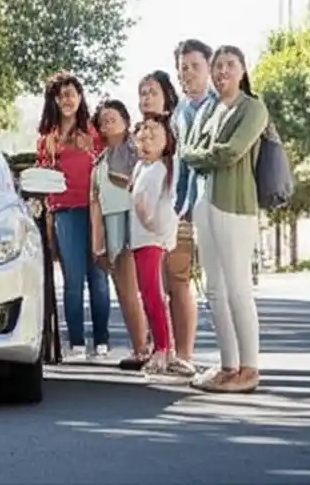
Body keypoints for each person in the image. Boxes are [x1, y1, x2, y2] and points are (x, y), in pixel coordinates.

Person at [180, 45, 268, 394]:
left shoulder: (253, 108)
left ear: (243, 70)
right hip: (206, 203)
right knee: (214, 290)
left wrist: (204, 155)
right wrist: (206, 155)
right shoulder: (212, 108)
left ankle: (249, 368)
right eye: (217, 66)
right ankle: (228, 364)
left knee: (238, 288)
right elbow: (188, 150)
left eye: (230, 65)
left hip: (236, 205)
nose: (222, 71)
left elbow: (232, 151)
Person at [36, 72, 109, 360]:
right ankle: (77, 343)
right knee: (73, 278)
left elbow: (105, 169)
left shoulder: (94, 134)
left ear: (80, 98)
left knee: (99, 278)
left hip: (95, 211)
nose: (67, 99)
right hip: (65, 212)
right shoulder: (47, 139)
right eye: (61, 94)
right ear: (54, 100)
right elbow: (41, 179)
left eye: (72, 93)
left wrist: (90, 150)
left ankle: (101, 341)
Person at [128, 115, 192, 376]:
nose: (146, 140)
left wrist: (157, 226)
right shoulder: (141, 168)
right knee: (148, 294)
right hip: (139, 238)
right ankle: (162, 347)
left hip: (153, 239)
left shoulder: (167, 167)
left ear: (167, 142)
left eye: (154, 136)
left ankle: (164, 350)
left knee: (153, 294)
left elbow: (174, 202)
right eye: (143, 135)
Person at [88, 99, 149, 369]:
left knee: (140, 288)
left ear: (126, 121)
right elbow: (95, 203)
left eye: (113, 118)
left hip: (134, 220)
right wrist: (97, 244)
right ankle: (139, 348)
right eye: (103, 120)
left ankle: (151, 348)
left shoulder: (134, 150)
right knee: (123, 290)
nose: (107, 123)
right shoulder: (99, 161)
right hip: (111, 223)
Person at [169, 39, 217, 368]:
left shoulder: (222, 105)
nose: (188, 73)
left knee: (222, 285)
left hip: (221, 202)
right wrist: (179, 208)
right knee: (185, 281)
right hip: (190, 208)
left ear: (210, 67)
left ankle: (238, 363)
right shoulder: (181, 113)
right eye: (183, 67)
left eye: (194, 66)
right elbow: (182, 164)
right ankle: (184, 357)